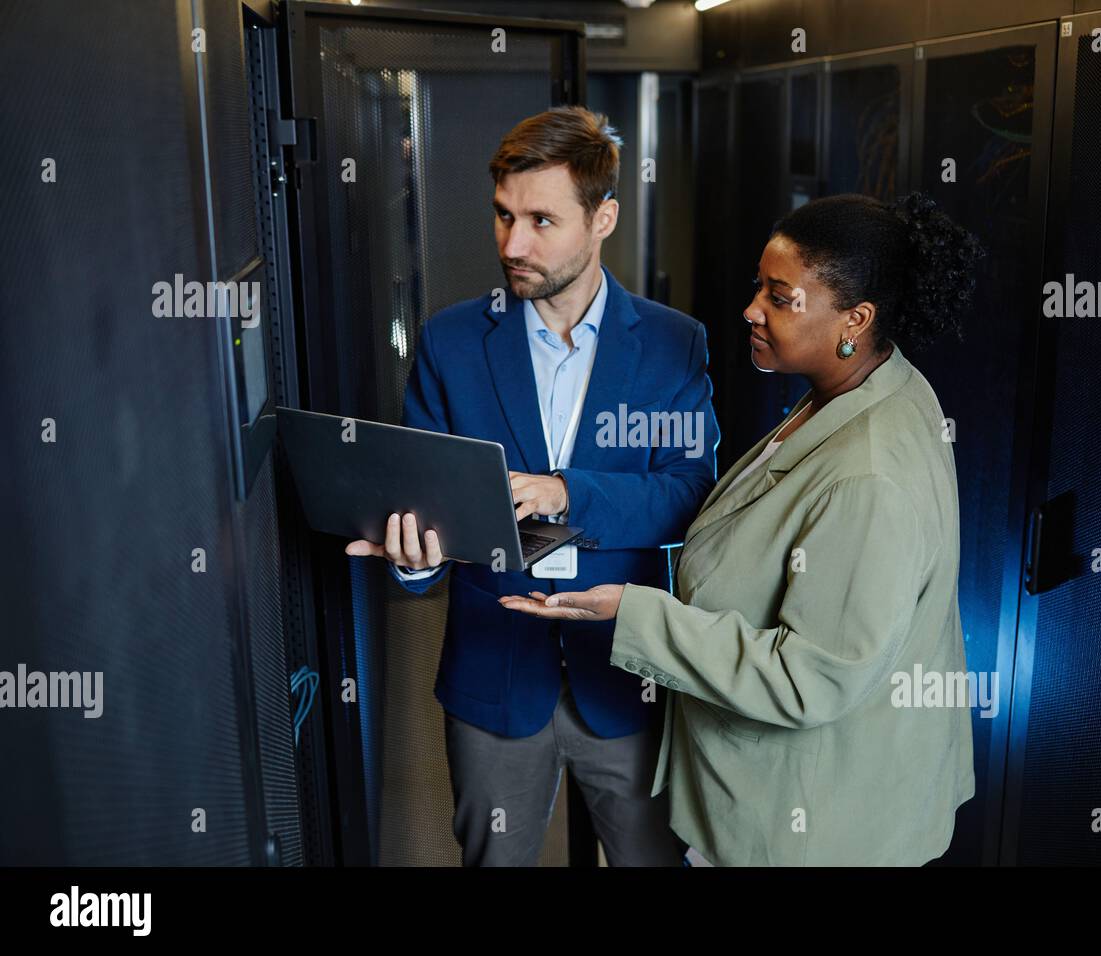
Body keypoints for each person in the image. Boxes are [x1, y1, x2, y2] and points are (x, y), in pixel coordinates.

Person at [499, 192, 983, 866]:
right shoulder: (859, 389)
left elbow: (807, 679)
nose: (751, 308)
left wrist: (636, 614)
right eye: (760, 284)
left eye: (780, 297)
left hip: (813, 825)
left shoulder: (869, 475)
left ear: (856, 319)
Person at [345, 106, 719, 866]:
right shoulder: (452, 340)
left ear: (603, 217)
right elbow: (424, 498)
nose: (513, 244)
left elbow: (689, 493)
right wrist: (416, 559)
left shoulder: (674, 344)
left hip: (628, 680)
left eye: (542, 220)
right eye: (503, 216)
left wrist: (564, 491)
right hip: (493, 674)